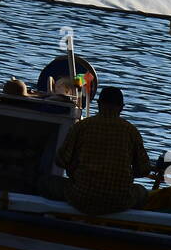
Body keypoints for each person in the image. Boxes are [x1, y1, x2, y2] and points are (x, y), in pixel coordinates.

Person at [48, 86, 151, 215]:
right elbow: (144, 169)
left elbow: (61, 161)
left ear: (98, 104)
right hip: (119, 202)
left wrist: (75, 167)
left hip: (81, 197)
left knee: (46, 182)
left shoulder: (81, 127)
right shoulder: (131, 131)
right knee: (142, 192)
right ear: (121, 107)